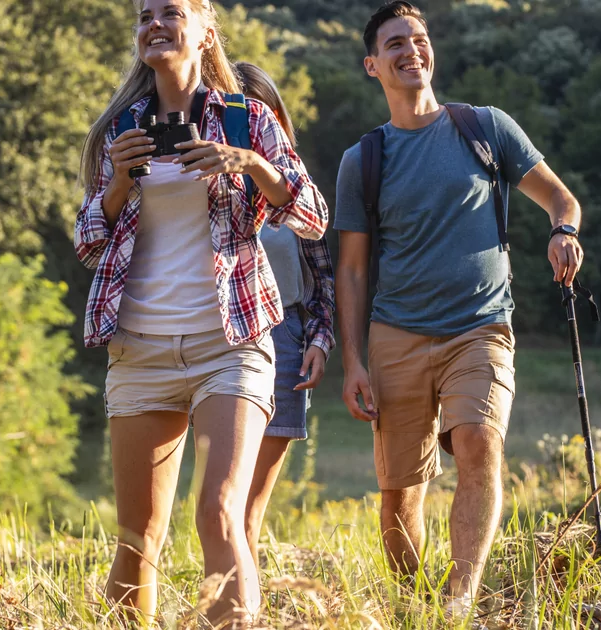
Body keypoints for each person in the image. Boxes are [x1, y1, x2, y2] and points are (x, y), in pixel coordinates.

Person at [74, 0, 328, 625]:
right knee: (137, 537)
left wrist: (250, 163)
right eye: (144, 15)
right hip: (140, 351)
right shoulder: (122, 130)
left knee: (217, 509)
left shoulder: (248, 120)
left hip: (230, 344)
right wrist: (118, 184)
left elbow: (314, 217)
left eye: (171, 11)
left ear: (205, 28)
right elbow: (86, 241)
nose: (154, 23)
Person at [332, 1, 586, 617]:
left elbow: (561, 199)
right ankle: (416, 606)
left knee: (477, 440)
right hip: (396, 336)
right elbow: (353, 269)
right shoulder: (363, 160)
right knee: (399, 496)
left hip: (480, 327)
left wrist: (563, 232)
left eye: (418, 39)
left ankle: (460, 596)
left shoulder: (485, 127)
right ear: (373, 65)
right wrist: (353, 362)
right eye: (395, 44)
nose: (411, 51)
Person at [233, 61, 336, 570]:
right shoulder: (204, 187)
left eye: (264, 114)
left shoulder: (296, 189)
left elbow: (320, 270)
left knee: (249, 511)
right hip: (224, 338)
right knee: (223, 503)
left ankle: (243, 613)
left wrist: (321, 338)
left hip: (288, 336)